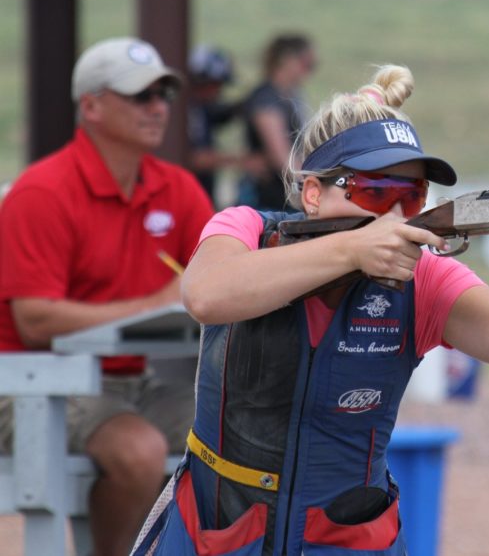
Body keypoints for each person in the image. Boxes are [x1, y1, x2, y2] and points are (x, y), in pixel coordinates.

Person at [131, 64, 489, 555]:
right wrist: (353, 251)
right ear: (313, 193)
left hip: (346, 537)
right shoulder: (248, 228)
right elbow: (206, 296)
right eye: (375, 192)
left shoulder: (422, 276)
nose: (394, 215)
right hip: (220, 528)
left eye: (410, 195)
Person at [0, 37, 215, 556]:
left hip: (127, 380)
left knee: (241, 431)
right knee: (138, 451)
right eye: (141, 95)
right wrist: (162, 299)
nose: (159, 107)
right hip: (29, 384)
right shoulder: (42, 192)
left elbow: (221, 279)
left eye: (164, 93)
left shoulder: (179, 188)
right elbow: (35, 322)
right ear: (91, 106)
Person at [238, 33, 317, 210]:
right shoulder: (266, 99)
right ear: (288, 60)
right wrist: (315, 186)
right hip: (268, 199)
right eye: (307, 64)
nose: (310, 71)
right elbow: (281, 156)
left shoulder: (291, 95)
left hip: (283, 195)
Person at [186, 43, 245, 204]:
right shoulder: (184, 111)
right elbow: (192, 158)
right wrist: (244, 161)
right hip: (189, 196)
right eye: (217, 84)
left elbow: (222, 114)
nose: (219, 91)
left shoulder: (202, 107)